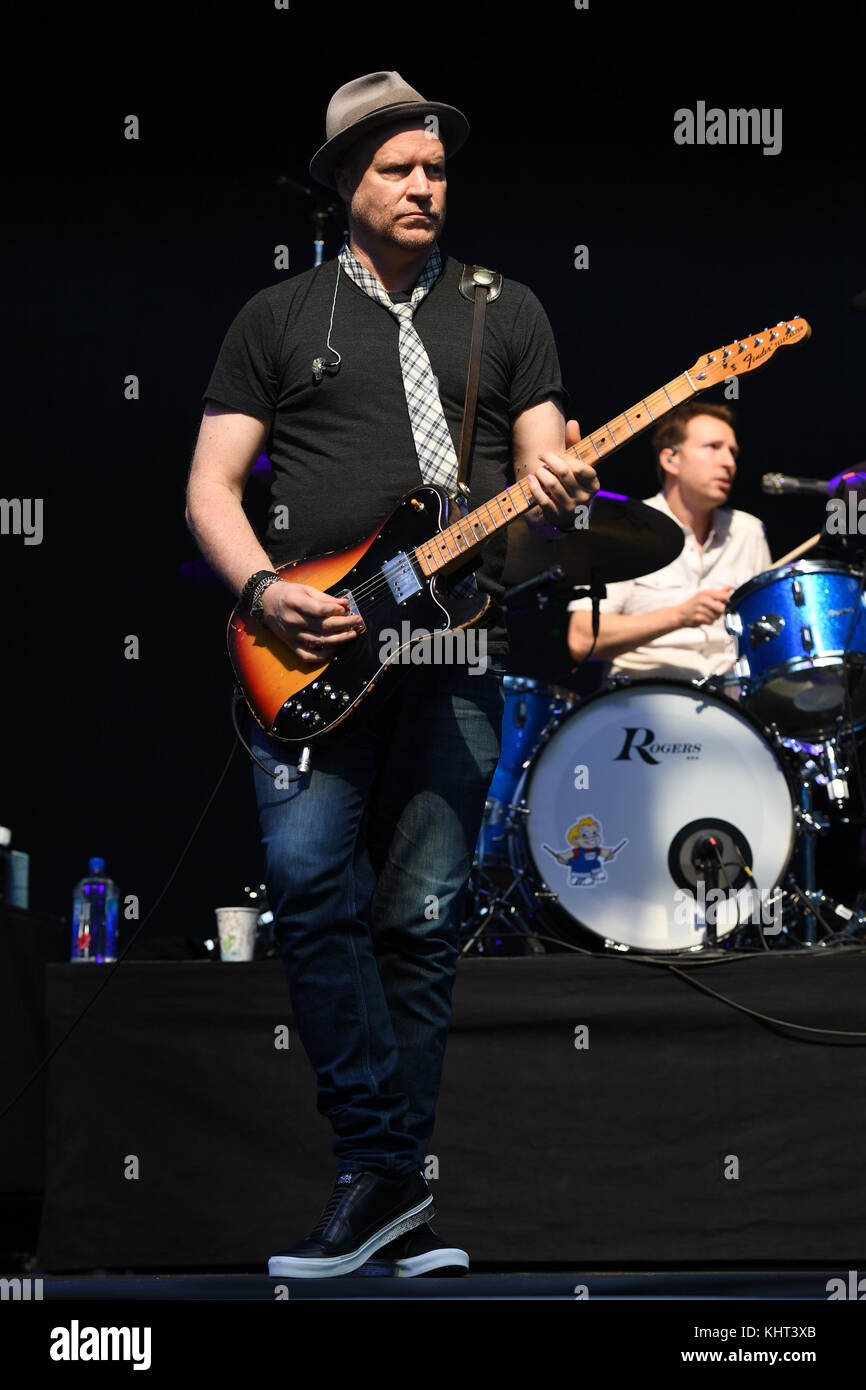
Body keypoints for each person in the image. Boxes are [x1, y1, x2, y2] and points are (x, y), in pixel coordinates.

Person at [185, 70, 598, 1279]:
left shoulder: (503, 309)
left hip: (456, 647)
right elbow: (209, 489)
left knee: (418, 924)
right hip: (307, 646)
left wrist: (558, 500)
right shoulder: (275, 317)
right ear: (343, 187)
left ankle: (389, 1190)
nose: (426, 185)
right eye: (398, 169)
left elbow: (536, 497)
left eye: (435, 168)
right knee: (312, 896)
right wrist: (266, 591)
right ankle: (377, 1168)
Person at [567, 402, 771, 681]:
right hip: (643, 701)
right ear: (670, 460)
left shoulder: (749, 532)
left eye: (733, 451)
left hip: (729, 703)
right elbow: (582, 639)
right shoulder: (624, 529)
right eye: (713, 447)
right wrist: (680, 615)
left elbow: (768, 633)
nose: (729, 462)